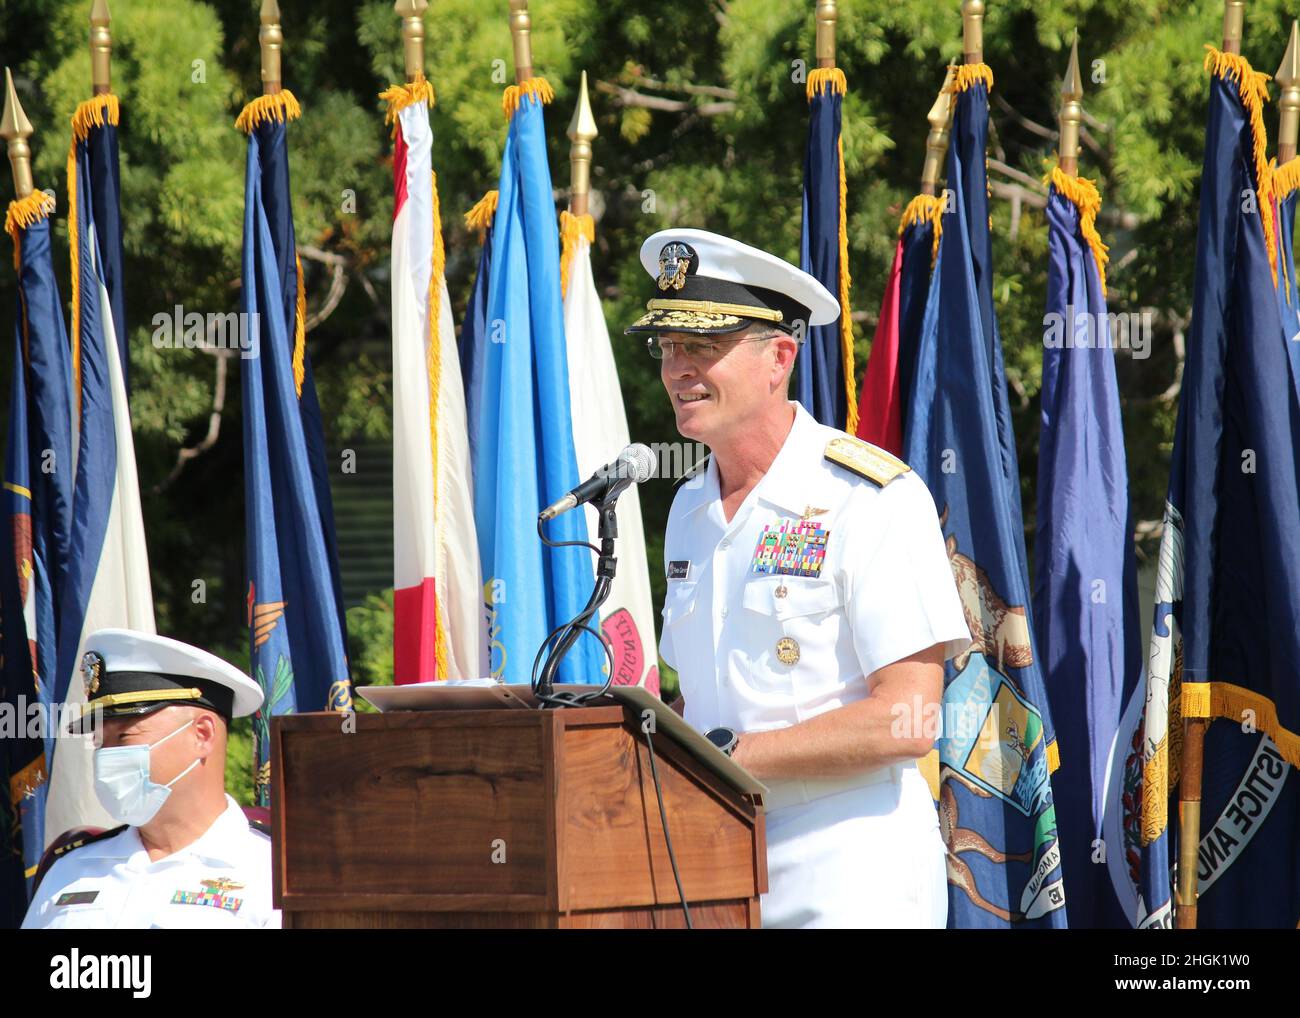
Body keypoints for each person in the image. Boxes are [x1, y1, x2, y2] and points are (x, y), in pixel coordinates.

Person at [627, 229, 972, 928]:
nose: (678, 370)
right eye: (668, 347)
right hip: (719, 874)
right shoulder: (690, 508)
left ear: (779, 357)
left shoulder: (871, 495)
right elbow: (701, 699)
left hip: (851, 882)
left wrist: (727, 756)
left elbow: (912, 718)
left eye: (702, 346)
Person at [22, 629, 279, 929]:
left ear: (202, 735)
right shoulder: (69, 869)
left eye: (125, 736)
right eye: (101, 742)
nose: (107, 756)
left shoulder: (274, 873)